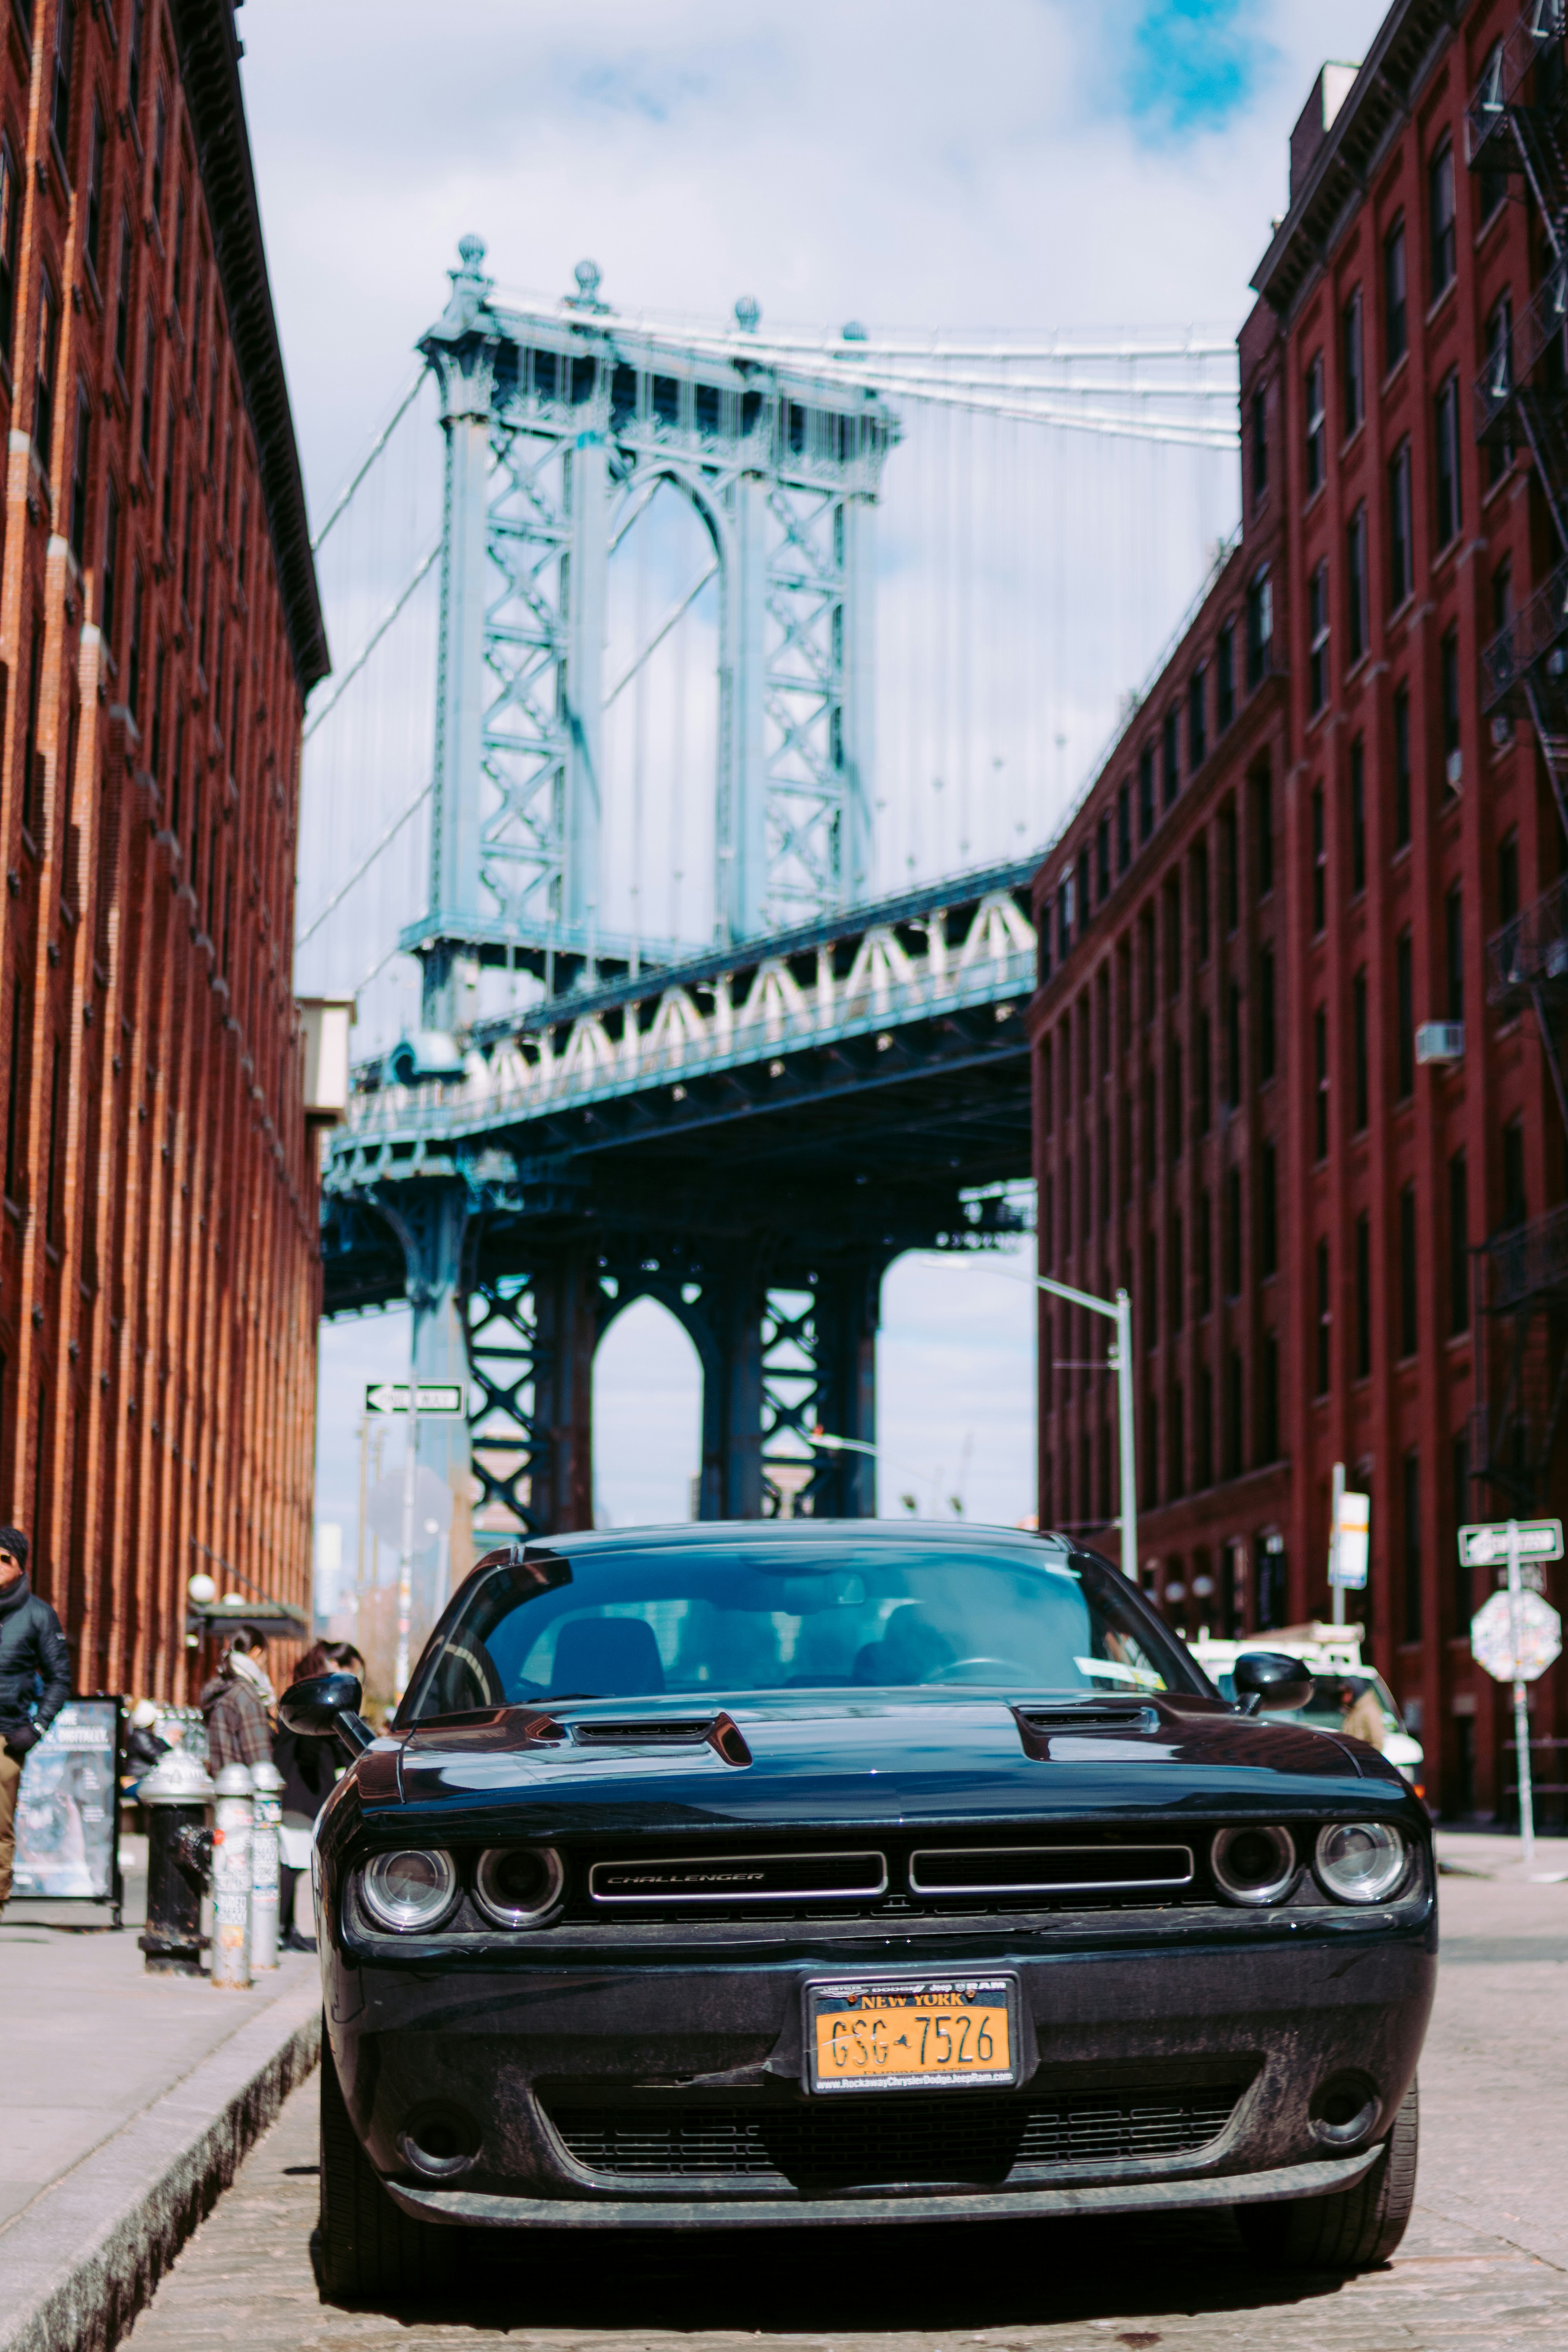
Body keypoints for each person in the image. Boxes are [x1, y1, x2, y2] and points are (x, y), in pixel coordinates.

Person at [272, 1639, 364, 1951]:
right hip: (302, 1794)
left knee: (292, 1862)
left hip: (299, 1792)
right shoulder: (314, 1702)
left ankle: (285, 1930)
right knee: (292, 1862)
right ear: (335, 1666)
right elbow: (310, 1751)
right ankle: (281, 1932)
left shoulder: (302, 1697)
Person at [0, 1526, 71, 1916]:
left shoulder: (38, 1615)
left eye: (4, 1559)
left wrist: (36, 1729)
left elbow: (60, 1679)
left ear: (20, 1565)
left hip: (5, 1737)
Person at [200, 1630, 275, 1771]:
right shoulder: (246, 1695)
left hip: (222, 1782)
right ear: (257, 1652)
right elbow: (260, 1760)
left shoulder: (220, 1688)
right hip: (244, 1787)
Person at [1338, 1677, 1386, 1752]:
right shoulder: (1353, 1710)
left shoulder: (1370, 1710)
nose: (1344, 1697)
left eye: (1348, 1692)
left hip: (1362, 1761)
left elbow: (1378, 1743)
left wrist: (1362, 1758)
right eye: (1343, 1693)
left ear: (1356, 1690)